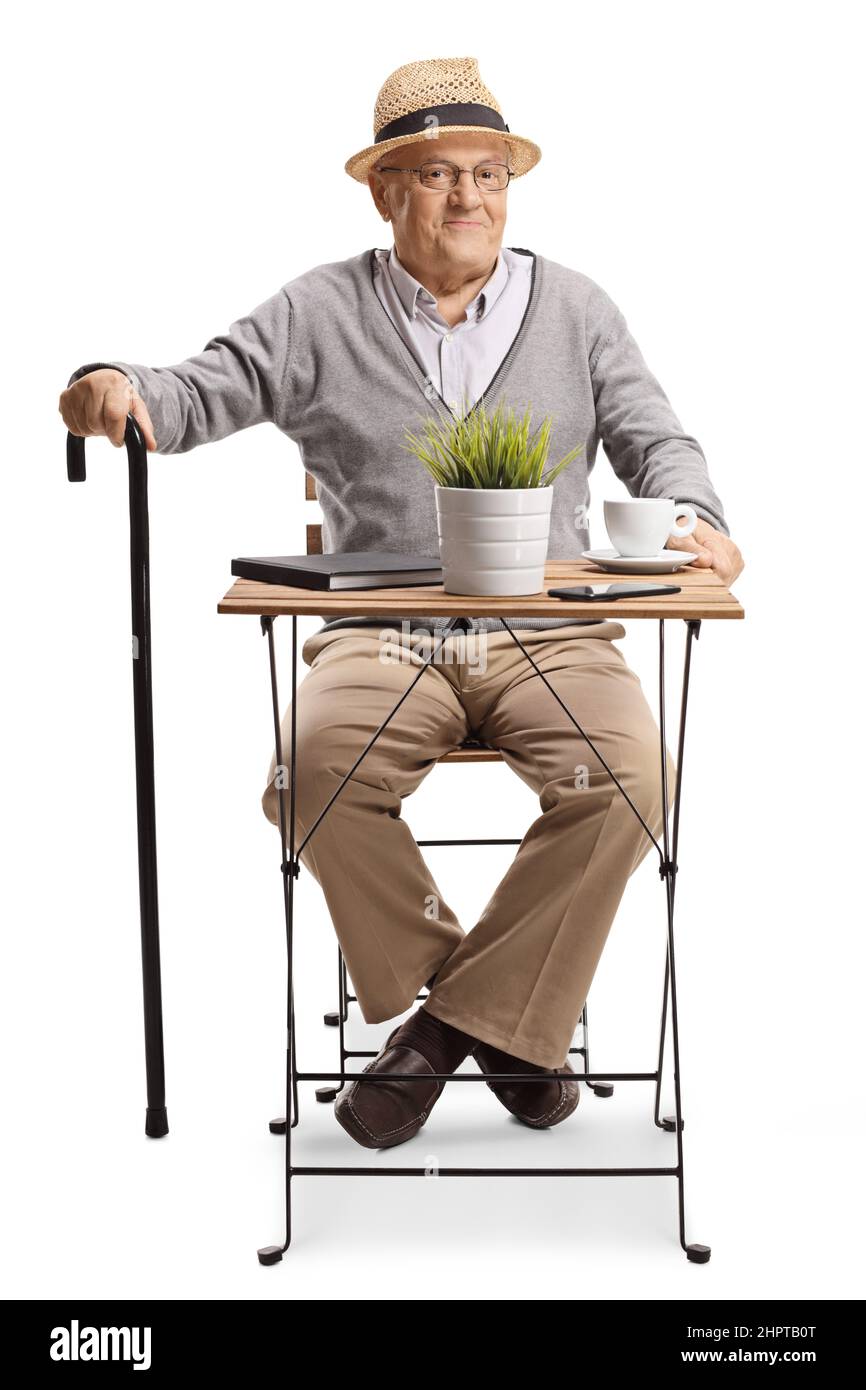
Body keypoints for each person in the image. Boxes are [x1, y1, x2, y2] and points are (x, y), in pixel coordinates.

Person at [59, 55, 744, 1151]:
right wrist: (115, 387)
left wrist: (693, 511)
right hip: (382, 635)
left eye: (486, 174)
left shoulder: (574, 307)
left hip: (549, 632)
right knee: (309, 778)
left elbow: (654, 440)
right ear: (385, 192)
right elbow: (196, 391)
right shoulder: (319, 310)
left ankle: (431, 1039)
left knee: (628, 778)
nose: (468, 198)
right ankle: (503, 1022)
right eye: (436, 176)